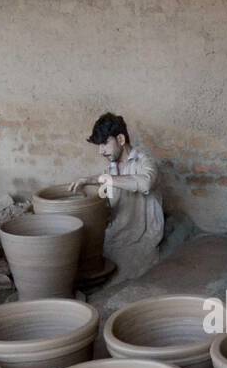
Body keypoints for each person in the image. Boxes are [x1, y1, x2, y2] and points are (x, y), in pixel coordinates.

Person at [68, 112, 165, 281]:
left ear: (120, 139)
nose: (100, 151)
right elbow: (108, 182)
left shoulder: (144, 161)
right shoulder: (112, 165)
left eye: (105, 143)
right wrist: (88, 180)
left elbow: (145, 183)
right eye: (99, 145)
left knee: (126, 275)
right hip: (118, 231)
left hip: (142, 233)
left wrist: (108, 179)